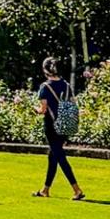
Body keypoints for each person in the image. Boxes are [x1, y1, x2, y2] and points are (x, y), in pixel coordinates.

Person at [33, 57, 84, 201]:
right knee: (53, 156)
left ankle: (77, 189)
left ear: (45, 70)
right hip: (65, 124)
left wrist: (35, 110)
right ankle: (45, 190)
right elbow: (73, 104)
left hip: (51, 125)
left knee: (60, 156)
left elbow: (43, 109)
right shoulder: (66, 85)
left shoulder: (45, 87)